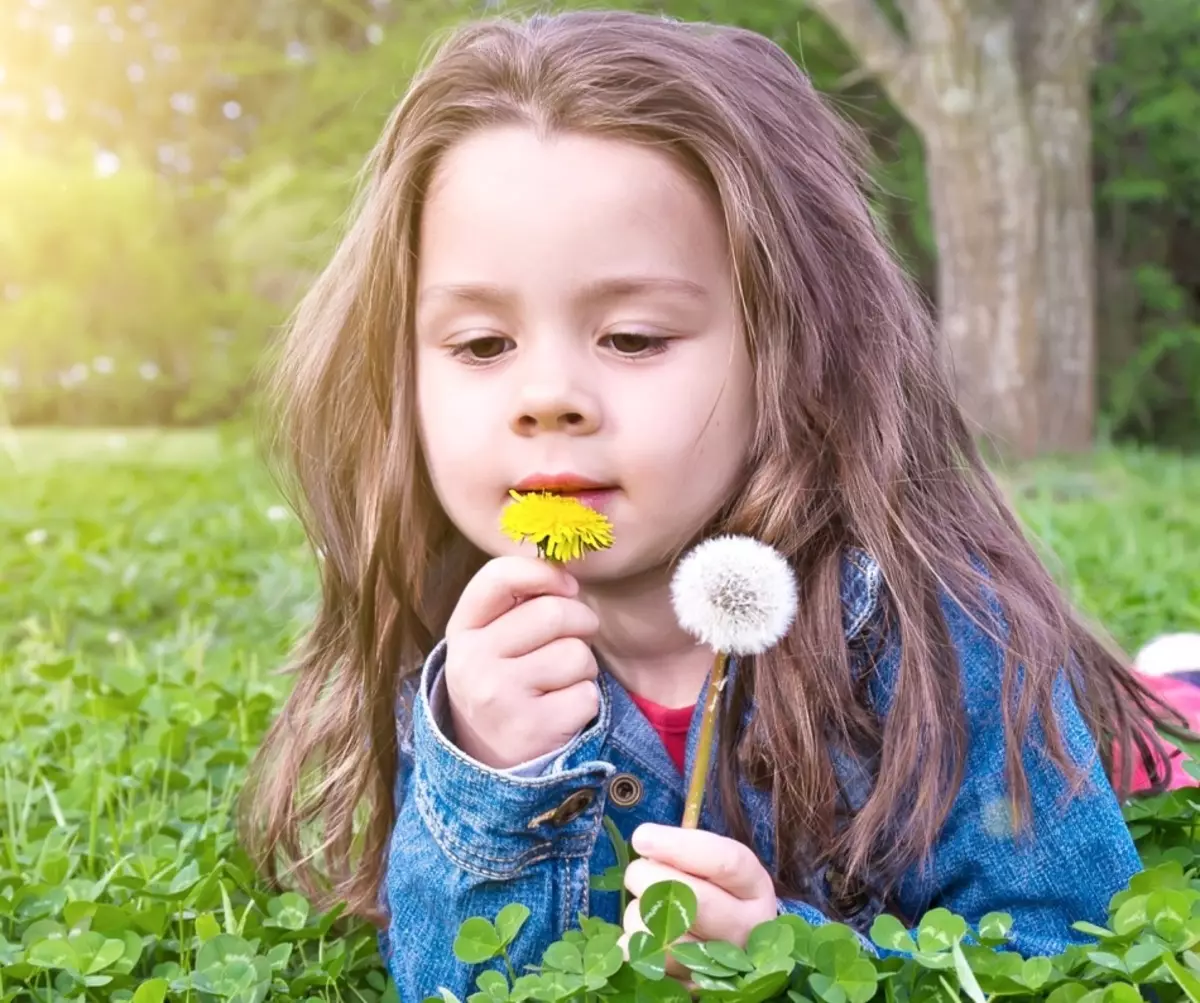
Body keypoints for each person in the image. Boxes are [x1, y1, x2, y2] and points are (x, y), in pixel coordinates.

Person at [238, 9, 1184, 999]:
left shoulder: (941, 632)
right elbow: (452, 985)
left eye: (635, 337)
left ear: (790, 348)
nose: (546, 396)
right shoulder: (465, 670)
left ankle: (1164, 694)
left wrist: (793, 954)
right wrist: (492, 782)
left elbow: (1079, 946)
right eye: (481, 345)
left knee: (1141, 748)